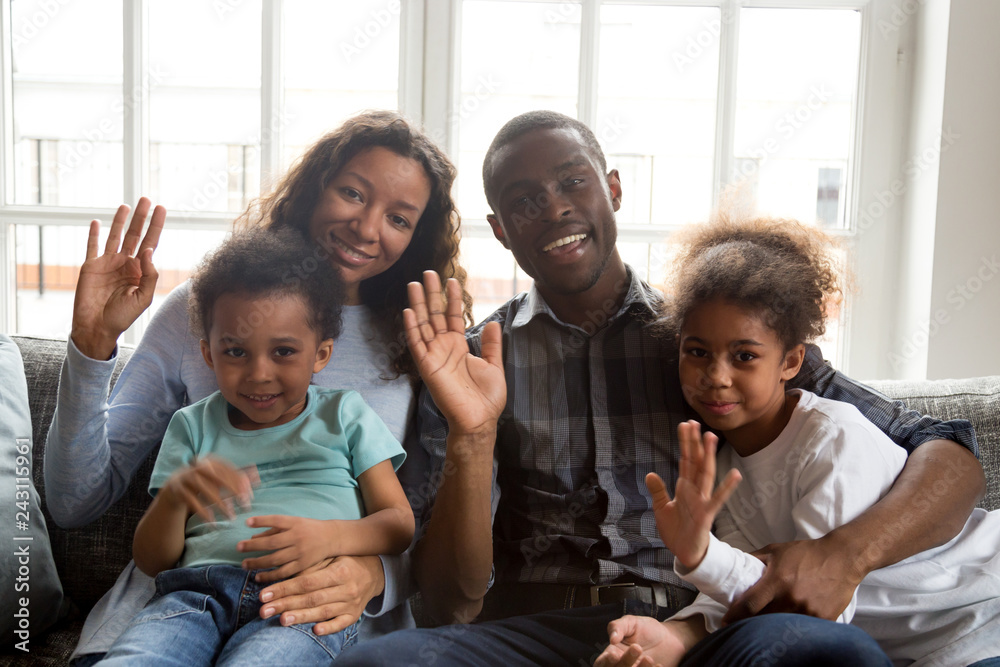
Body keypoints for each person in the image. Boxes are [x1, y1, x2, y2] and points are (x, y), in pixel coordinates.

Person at [337, 110, 982, 666]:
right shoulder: (470, 362)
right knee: (380, 663)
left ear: (613, 191)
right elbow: (450, 600)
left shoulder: (714, 340)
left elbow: (946, 452)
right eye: (525, 199)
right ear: (501, 228)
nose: (555, 206)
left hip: (695, 628)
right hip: (535, 632)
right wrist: (472, 436)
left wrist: (846, 555)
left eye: (572, 182)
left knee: (818, 651)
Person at [43, 110, 470, 664]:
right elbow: (75, 503)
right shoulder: (204, 313)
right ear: (315, 189)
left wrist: (374, 575)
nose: (367, 229)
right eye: (352, 193)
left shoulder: (423, 340)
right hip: (178, 609)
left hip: (321, 625)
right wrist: (91, 344)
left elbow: (418, 530)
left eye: (399, 218)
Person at [597, 215, 1000, 667]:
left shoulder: (831, 438)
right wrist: (674, 634)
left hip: (982, 616)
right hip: (917, 651)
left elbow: (817, 603)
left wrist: (702, 556)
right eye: (697, 352)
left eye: (744, 356)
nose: (716, 376)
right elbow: (754, 590)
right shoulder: (724, 465)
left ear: (791, 361)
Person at [95, 227, 414, 664]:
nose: (259, 373)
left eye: (283, 352)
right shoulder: (192, 425)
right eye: (236, 353)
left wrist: (329, 537)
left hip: (299, 601)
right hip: (193, 596)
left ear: (321, 355)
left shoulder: (345, 414)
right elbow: (152, 561)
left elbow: (398, 524)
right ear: (208, 355)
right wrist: (172, 500)